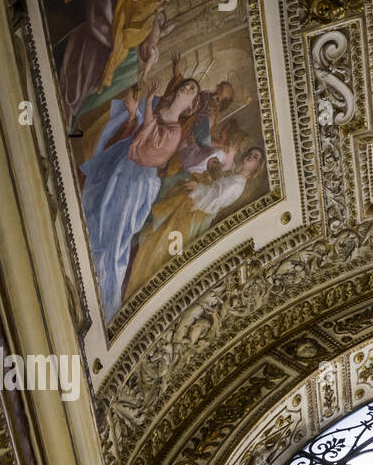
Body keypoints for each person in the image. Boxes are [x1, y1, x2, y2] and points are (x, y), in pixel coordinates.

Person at [80, 74, 200, 318]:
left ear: (190, 105)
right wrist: (133, 112)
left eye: (192, 90)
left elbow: (149, 145)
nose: (187, 89)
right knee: (99, 210)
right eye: (187, 85)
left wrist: (146, 106)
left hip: (136, 180)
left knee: (116, 230)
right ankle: (83, 256)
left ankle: (100, 294)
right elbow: (137, 131)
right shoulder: (160, 106)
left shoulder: (175, 130)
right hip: (123, 164)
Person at [123, 147, 264, 301]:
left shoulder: (238, 184)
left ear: (256, 168)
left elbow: (214, 200)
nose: (250, 156)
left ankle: (139, 278)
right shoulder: (234, 177)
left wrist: (198, 187)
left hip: (195, 214)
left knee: (162, 240)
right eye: (250, 153)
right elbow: (216, 189)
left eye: (255, 157)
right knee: (159, 231)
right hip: (193, 209)